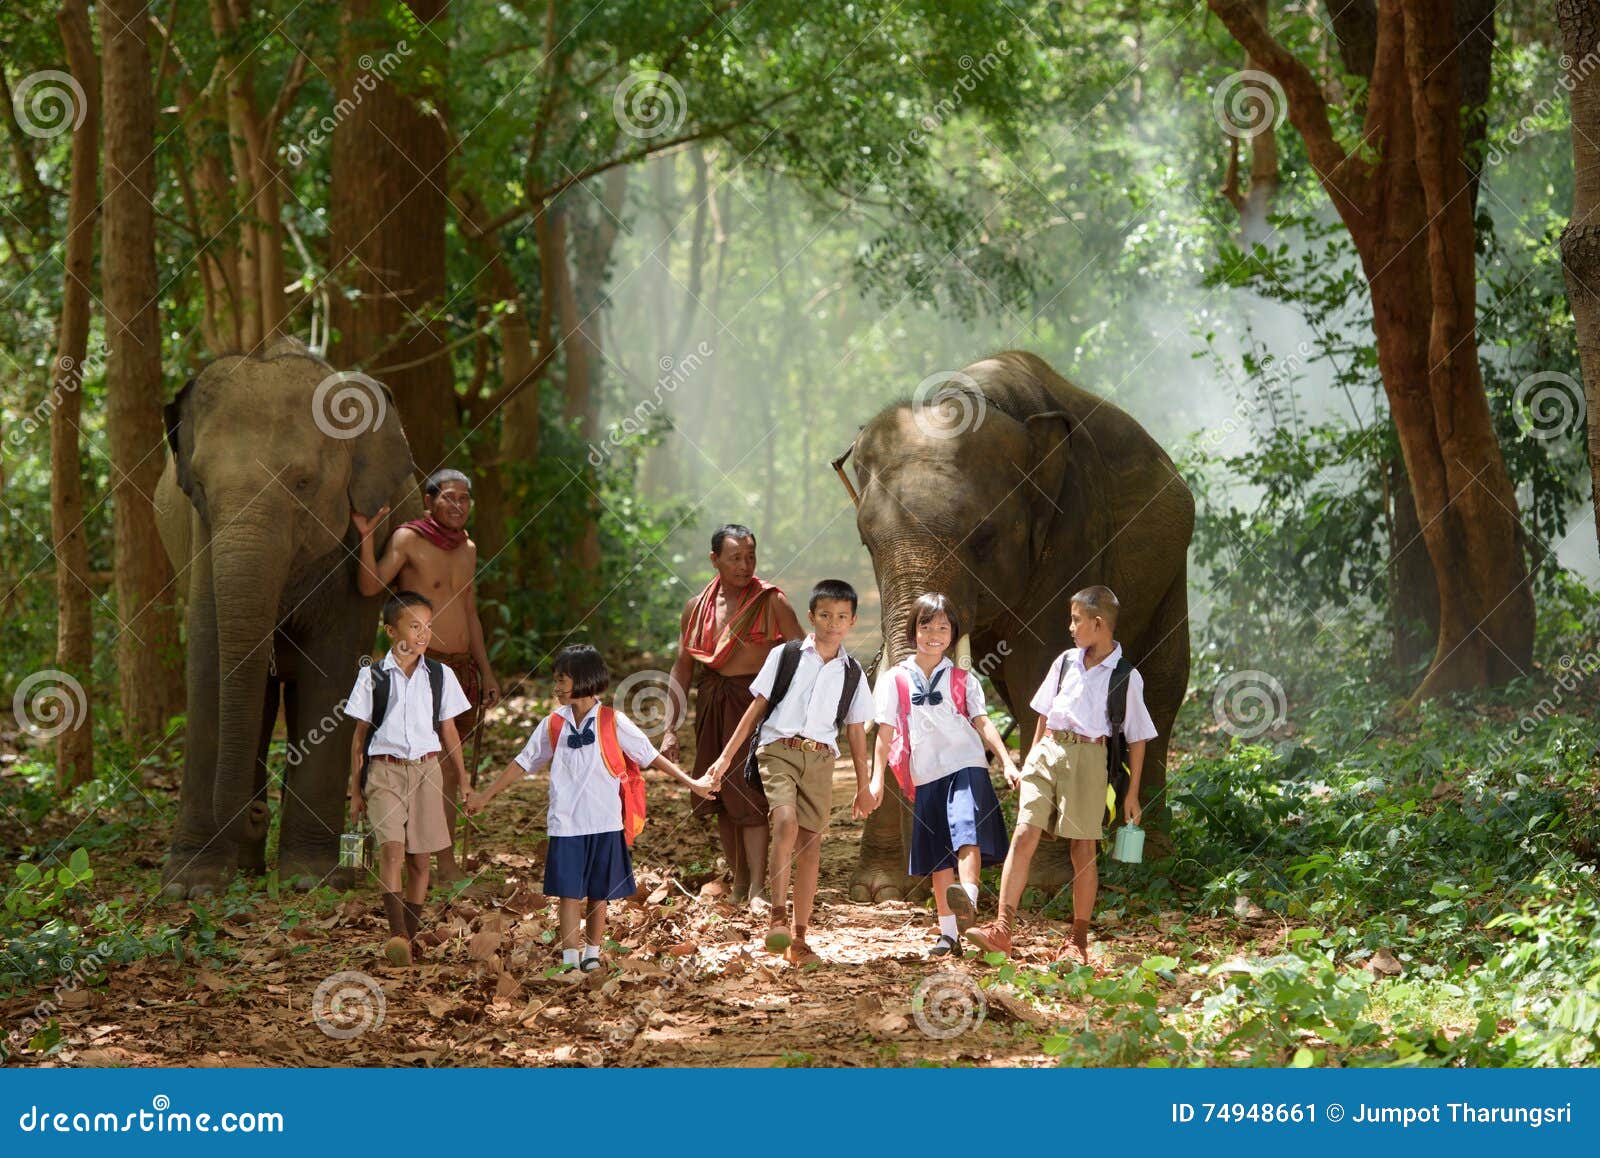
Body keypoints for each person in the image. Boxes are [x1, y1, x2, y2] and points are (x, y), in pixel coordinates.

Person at [466, 646, 717, 972]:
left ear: (583, 681)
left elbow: (649, 756)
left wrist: (693, 782)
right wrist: (486, 795)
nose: (555, 687)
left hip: (605, 821)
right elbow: (522, 762)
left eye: (561, 680)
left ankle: (593, 955)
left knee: (600, 894)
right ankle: (570, 960)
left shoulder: (614, 721)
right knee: (569, 894)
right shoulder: (553, 724)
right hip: (566, 823)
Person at [965, 586, 1156, 967]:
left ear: (1098, 624)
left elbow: (1137, 740)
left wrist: (1132, 794)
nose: (1070, 627)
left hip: (1089, 756)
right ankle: (1002, 929)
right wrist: (1032, 757)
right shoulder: (1066, 661)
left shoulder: (1125, 677)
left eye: (1076, 619)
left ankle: (1077, 940)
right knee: (1024, 832)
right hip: (1048, 750)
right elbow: (1043, 713)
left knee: (1081, 850)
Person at [707, 580, 875, 966]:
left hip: (820, 760)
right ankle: (776, 915)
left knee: (811, 847)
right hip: (778, 750)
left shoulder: (852, 673)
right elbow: (757, 708)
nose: (833, 623)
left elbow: (855, 733)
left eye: (842, 617)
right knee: (784, 820)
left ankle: (799, 937)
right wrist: (724, 758)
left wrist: (864, 786)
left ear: (852, 622)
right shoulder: (786, 656)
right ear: (811, 616)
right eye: (825, 615)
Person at [353, 468, 501, 885]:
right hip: (417, 664)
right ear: (429, 502)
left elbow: (469, 612)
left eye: (464, 499)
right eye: (449, 498)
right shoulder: (408, 539)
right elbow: (369, 586)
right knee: (412, 764)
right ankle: (405, 861)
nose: (457, 506)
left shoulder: (468, 548)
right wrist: (366, 536)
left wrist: (485, 671)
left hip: (458, 668)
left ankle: (445, 864)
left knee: (450, 770)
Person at [661, 525, 802, 913]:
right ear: (715, 560)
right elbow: (682, 668)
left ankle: (759, 884)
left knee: (749, 795)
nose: (745, 565)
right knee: (718, 792)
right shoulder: (697, 607)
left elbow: (801, 658)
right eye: (735, 557)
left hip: (754, 705)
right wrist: (670, 728)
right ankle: (739, 879)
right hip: (713, 701)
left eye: (750, 556)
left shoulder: (772, 602)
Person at [869, 593, 1016, 958]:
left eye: (942, 627)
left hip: (967, 764)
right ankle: (949, 934)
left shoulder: (964, 679)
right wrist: (874, 781)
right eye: (926, 626)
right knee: (939, 857)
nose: (934, 634)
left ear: (953, 634)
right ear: (912, 630)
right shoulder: (895, 680)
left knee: (969, 830)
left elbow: (983, 722)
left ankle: (967, 899)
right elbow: (884, 736)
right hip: (925, 774)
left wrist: (1007, 761)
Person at [346, 591, 471, 967]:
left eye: (428, 626)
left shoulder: (440, 675)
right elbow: (358, 738)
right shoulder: (371, 676)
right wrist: (354, 791)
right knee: (392, 849)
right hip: (383, 770)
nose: (423, 634)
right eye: (414, 626)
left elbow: (449, 732)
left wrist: (463, 780)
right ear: (390, 630)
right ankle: (397, 934)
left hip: (427, 770)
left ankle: (409, 939)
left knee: (420, 860)